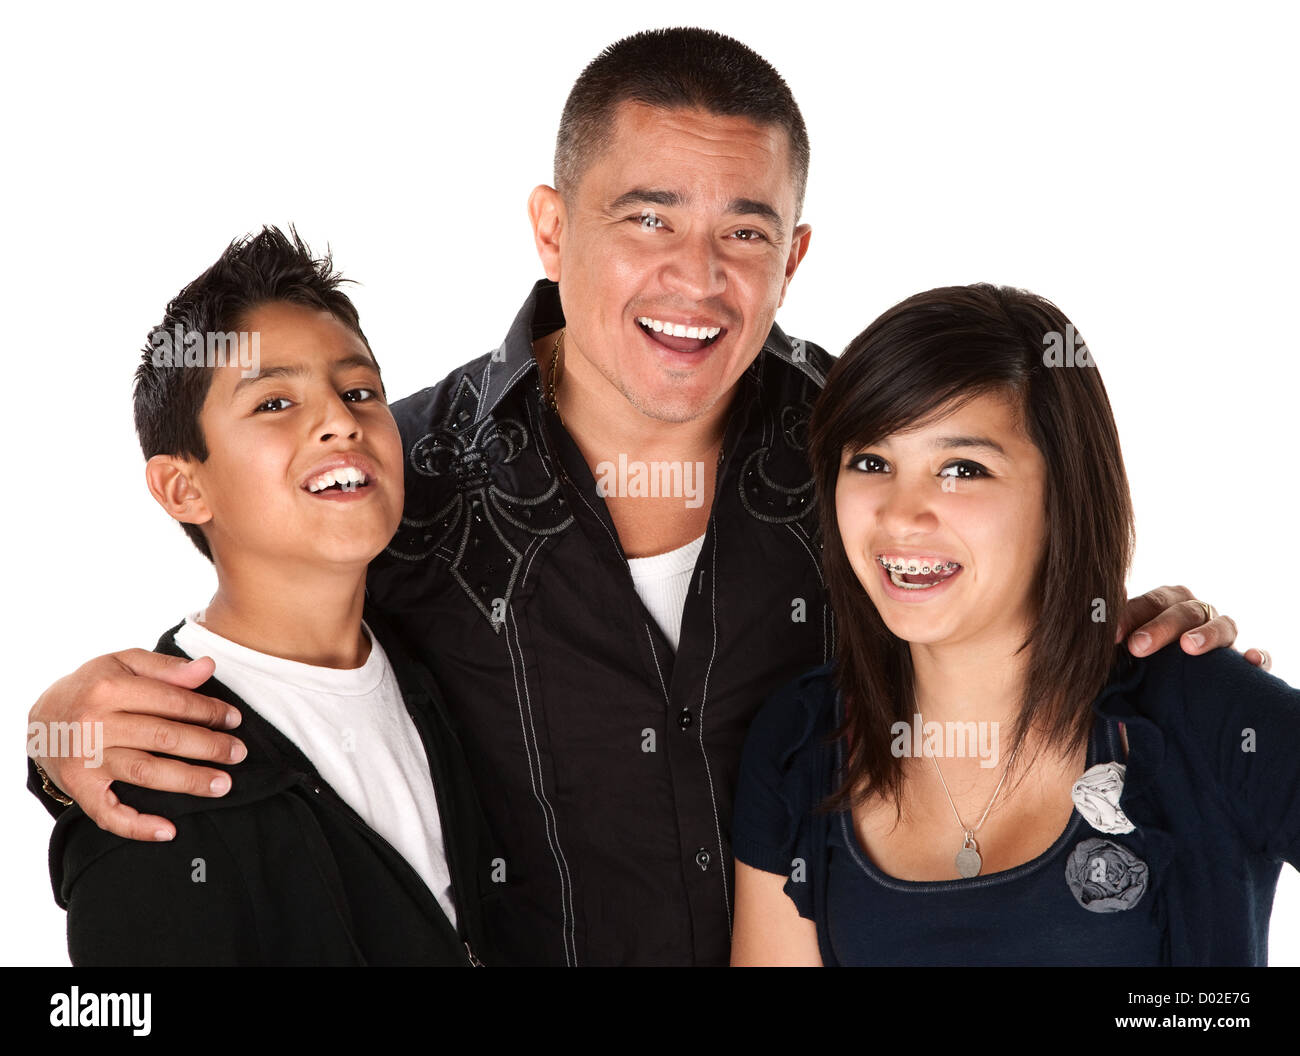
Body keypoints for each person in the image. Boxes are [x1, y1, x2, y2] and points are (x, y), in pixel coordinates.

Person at [26, 29, 1255, 966]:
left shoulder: (868, 462)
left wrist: (1130, 638)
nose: (695, 278)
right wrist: (58, 734)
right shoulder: (406, 479)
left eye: (743, 233)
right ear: (552, 230)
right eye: (645, 218)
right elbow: (265, 652)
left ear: (796, 257)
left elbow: (1009, 585)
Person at [730, 284, 1298, 966]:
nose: (901, 514)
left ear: (1064, 496)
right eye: (871, 462)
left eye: (962, 469)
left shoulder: (1202, 708)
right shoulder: (800, 742)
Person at [46, 227, 498, 965]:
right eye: (275, 402)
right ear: (183, 486)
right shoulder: (152, 776)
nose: (341, 421)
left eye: (359, 392)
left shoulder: (434, 665)